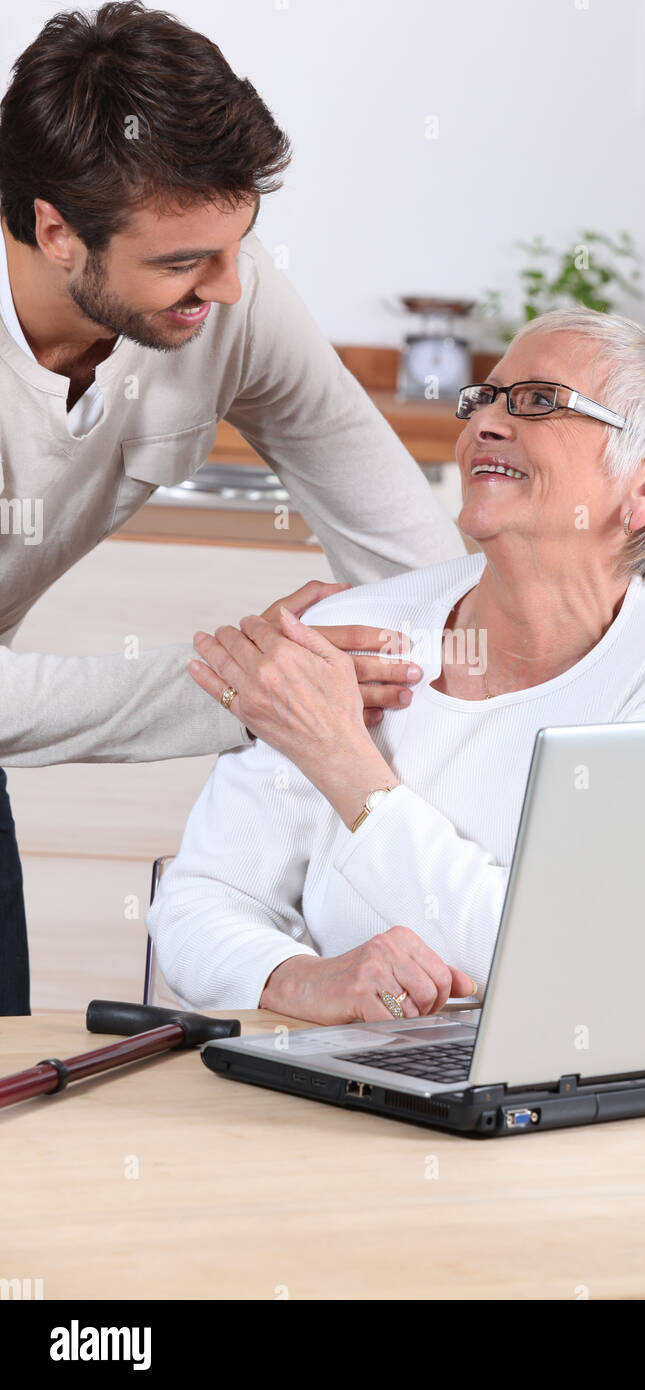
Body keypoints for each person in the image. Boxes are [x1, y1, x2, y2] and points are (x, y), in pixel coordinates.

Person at [0, 2, 465, 1014]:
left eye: (238, 241)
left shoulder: (221, 299)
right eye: (182, 263)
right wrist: (248, 686)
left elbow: (413, 556)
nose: (232, 287)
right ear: (55, 231)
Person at [148, 306, 645, 1021]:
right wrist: (295, 978)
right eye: (485, 398)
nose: (485, 426)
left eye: (539, 402)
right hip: (339, 1084)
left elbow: (568, 965)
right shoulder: (354, 631)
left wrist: (342, 759)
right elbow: (198, 901)